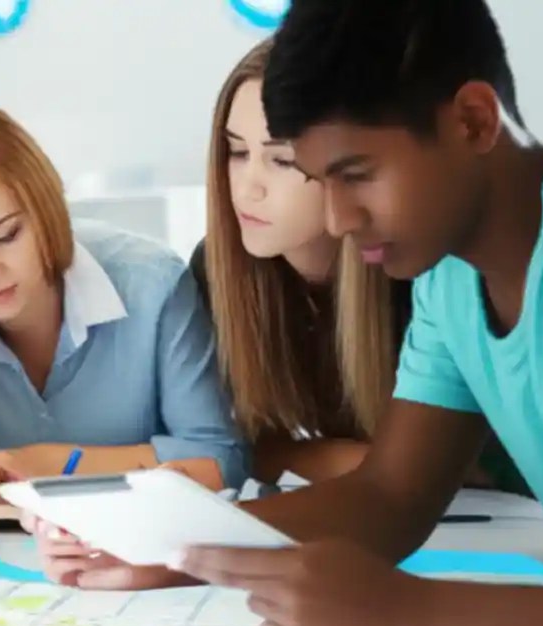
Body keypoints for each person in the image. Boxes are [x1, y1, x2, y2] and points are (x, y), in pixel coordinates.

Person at [32, 0, 543, 626]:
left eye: (357, 175)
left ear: (473, 121)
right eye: (318, 180)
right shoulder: (445, 279)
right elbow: (390, 497)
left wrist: (416, 614)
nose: (338, 221)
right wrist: (169, 554)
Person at [0, 106, 246, 525]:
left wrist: (57, 464)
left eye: (6, 235)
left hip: (155, 543)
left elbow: (219, 460)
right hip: (29, 554)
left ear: (47, 210)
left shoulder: (152, 283)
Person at [193, 38, 526, 492]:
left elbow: (476, 467)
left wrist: (316, 458)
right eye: (236, 152)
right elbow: (232, 450)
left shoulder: (426, 273)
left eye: (282, 161)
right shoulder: (213, 269)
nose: (248, 188)